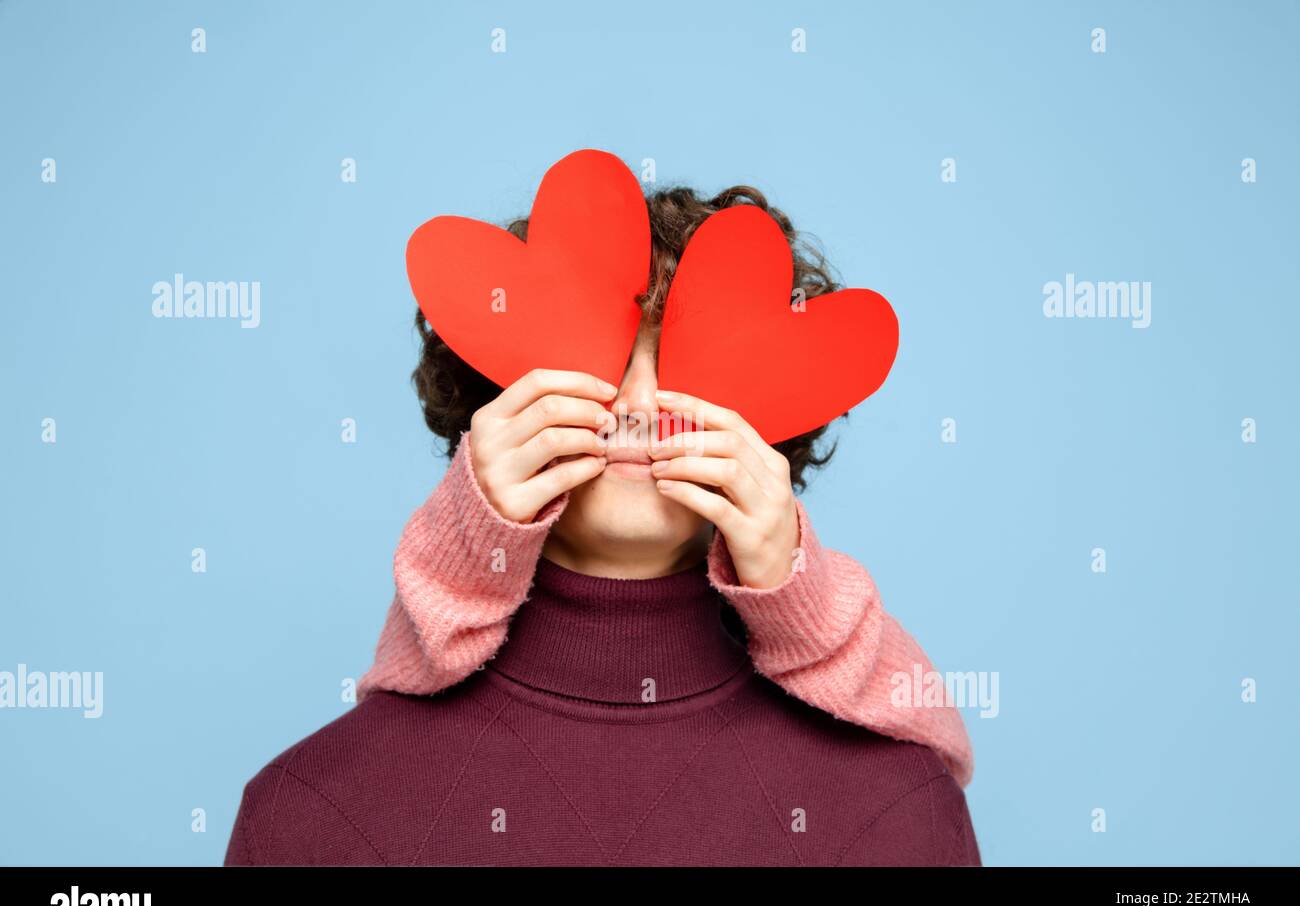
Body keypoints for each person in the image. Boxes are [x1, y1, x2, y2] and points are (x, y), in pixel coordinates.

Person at [224, 184, 981, 866]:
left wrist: (792, 580)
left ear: (770, 433)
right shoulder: (305, 814)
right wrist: (467, 529)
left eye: (689, 360)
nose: (640, 403)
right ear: (491, 409)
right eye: (602, 355)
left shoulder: (897, 811)